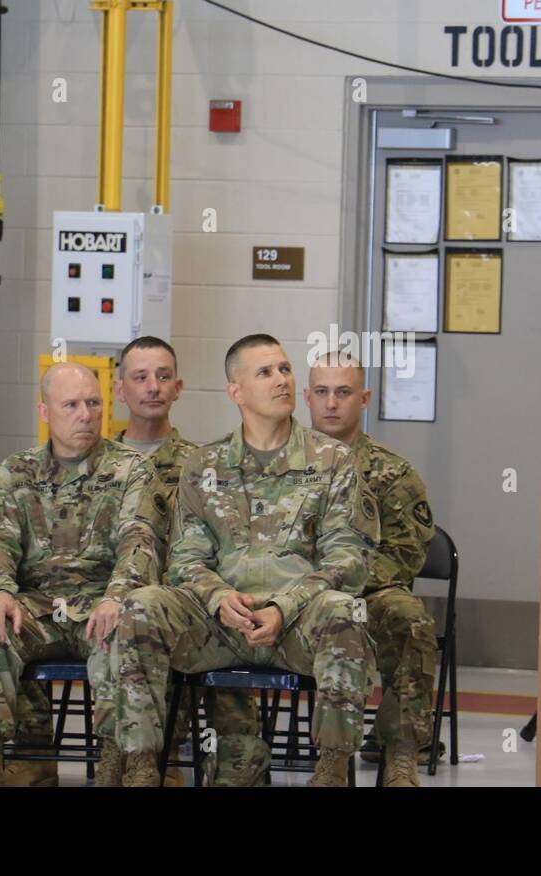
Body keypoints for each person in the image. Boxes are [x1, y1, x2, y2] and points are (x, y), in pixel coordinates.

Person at [110, 333, 379, 786]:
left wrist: (284, 607)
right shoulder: (205, 464)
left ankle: (331, 771)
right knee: (143, 606)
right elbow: (186, 558)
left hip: (297, 624)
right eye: (265, 372)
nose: (281, 381)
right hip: (221, 623)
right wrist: (217, 598)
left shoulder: (334, 460)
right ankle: (141, 768)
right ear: (235, 391)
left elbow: (348, 560)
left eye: (285, 369)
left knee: (345, 609)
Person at [0, 361, 161, 787]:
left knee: (126, 629)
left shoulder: (130, 469)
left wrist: (117, 595)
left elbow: (138, 540)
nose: (86, 414)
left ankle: (115, 764)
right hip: (36, 606)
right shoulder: (17, 471)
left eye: (94, 403)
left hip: (101, 602)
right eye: (71, 404)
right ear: (45, 411)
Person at [114, 335, 266, 787]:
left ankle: (231, 763)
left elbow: (229, 543)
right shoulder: (103, 464)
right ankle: (143, 764)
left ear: (178, 388)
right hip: (122, 599)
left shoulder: (205, 464)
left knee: (231, 615)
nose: (153, 387)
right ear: (121, 389)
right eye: (140, 377)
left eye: (163, 377)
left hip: (193, 596)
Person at [304, 352, 437, 787]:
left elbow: (406, 551)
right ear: (306, 398)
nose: (331, 403)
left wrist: (345, 579)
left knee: (411, 619)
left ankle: (400, 753)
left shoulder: (390, 471)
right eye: (321, 392)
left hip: (369, 593)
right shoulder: (283, 462)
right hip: (296, 596)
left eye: (343, 392)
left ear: (364, 399)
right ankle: (328, 759)